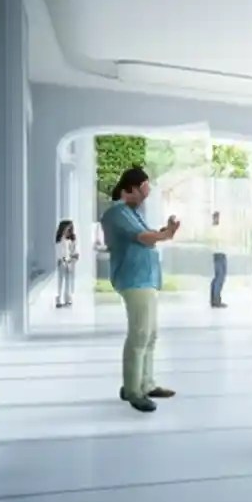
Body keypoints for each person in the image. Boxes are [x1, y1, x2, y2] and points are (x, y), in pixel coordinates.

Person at [101, 167, 180, 413]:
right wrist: (165, 234)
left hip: (146, 280)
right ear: (129, 189)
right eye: (143, 189)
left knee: (150, 334)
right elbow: (144, 237)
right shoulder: (117, 212)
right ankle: (133, 390)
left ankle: (146, 383)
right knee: (139, 335)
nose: (146, 195)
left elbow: (148, 235)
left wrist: (164, 232)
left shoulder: (133, 213)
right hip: (134, 280)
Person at [54, 220, 79, 308]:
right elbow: (59, 251)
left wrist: (73, 258)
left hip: (70, 261)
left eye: (70, 228)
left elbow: (74, 250)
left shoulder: (71, 239)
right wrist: (63, 259)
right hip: (62, 261)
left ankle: (67, 298)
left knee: (68, 280)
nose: (68, 230)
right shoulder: (60, 239)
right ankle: (58, 299)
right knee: (60, 281)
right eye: (67, 228)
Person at [209, 211, 228, 308]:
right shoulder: (215, 229)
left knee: (218, 277)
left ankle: (214, 299)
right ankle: (216, 300)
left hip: (219, 253)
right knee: (220, 277)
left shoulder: (215, 229)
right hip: (219, 254)